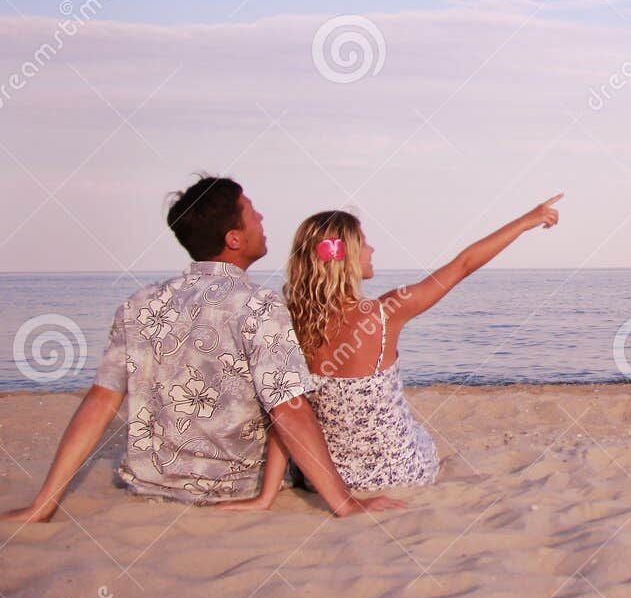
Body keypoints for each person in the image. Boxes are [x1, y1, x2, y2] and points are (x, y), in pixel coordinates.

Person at [1, 176, 404, 522]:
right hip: (237, 488)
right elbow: (290, 410)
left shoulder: (140, 304)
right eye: (252, 213)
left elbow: (99, 402)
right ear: (234, 239)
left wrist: (45, 502)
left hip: (150, 486)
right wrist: (345, 504)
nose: (262, 219)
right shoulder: (259, 307)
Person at [226, 193, 563, 502]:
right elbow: (464, 265)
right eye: (365, 243)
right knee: (418, 434)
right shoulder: (384, 313)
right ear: (347, 257)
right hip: (402, 473)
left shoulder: (290, 324)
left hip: (325, 480)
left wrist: (265, 498)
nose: (372, 250)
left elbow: (285, 414)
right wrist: (526, 221)